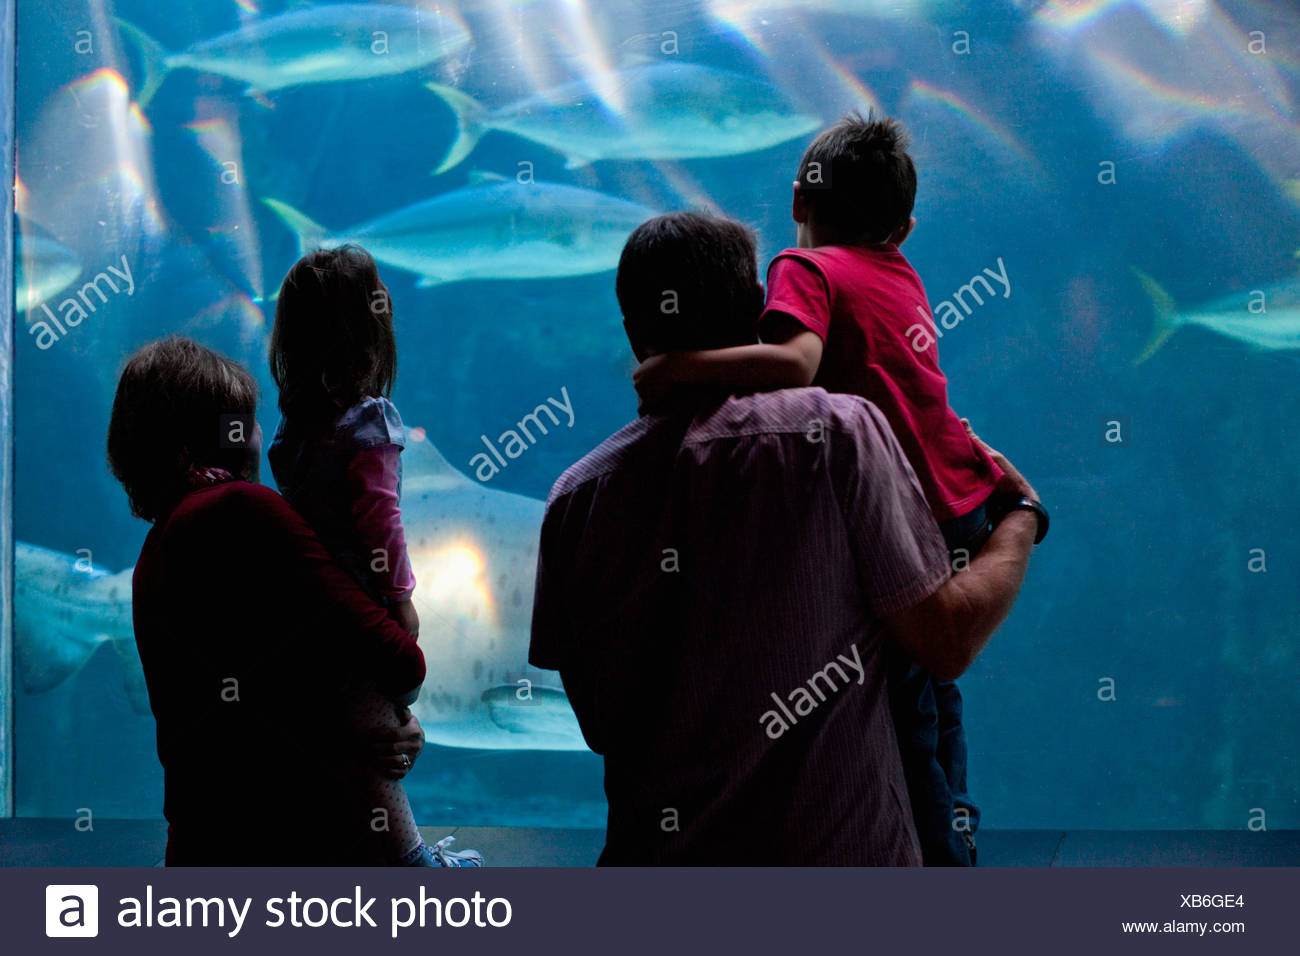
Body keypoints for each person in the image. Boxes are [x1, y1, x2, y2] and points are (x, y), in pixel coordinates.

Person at [530, 212, 1043, 865]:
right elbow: (946, 641)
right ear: (759, 309)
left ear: (633, 332)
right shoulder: (837, 433)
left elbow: (600, 723)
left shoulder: (576, 498)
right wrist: (1021, 518)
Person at [632, 114, 1022, 865]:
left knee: (906, 710)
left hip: (905, 511)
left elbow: (794, 364)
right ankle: (961, 828)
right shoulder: (901, 273)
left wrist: (677, 368)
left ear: (797, 201)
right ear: (904, 229)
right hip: (963, 500)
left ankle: (938, 856)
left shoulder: (803, 268)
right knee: (939, 701)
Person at [106, 336, 427, 866]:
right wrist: (394, 718)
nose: (262, 435)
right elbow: (398, 658)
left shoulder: (157, 548)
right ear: (205, 442)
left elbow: (269, 702)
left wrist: (378, 729)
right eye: (246, 422)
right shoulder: (246, 510)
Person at [266, 246, 480, 867]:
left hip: (303, 608)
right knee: (380, 733)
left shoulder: (289, 430)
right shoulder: (373, 422)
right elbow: (381, 518)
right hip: (360, 605)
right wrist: (401, 598)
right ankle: (409, 861)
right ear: (373, 332)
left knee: (338, 735)